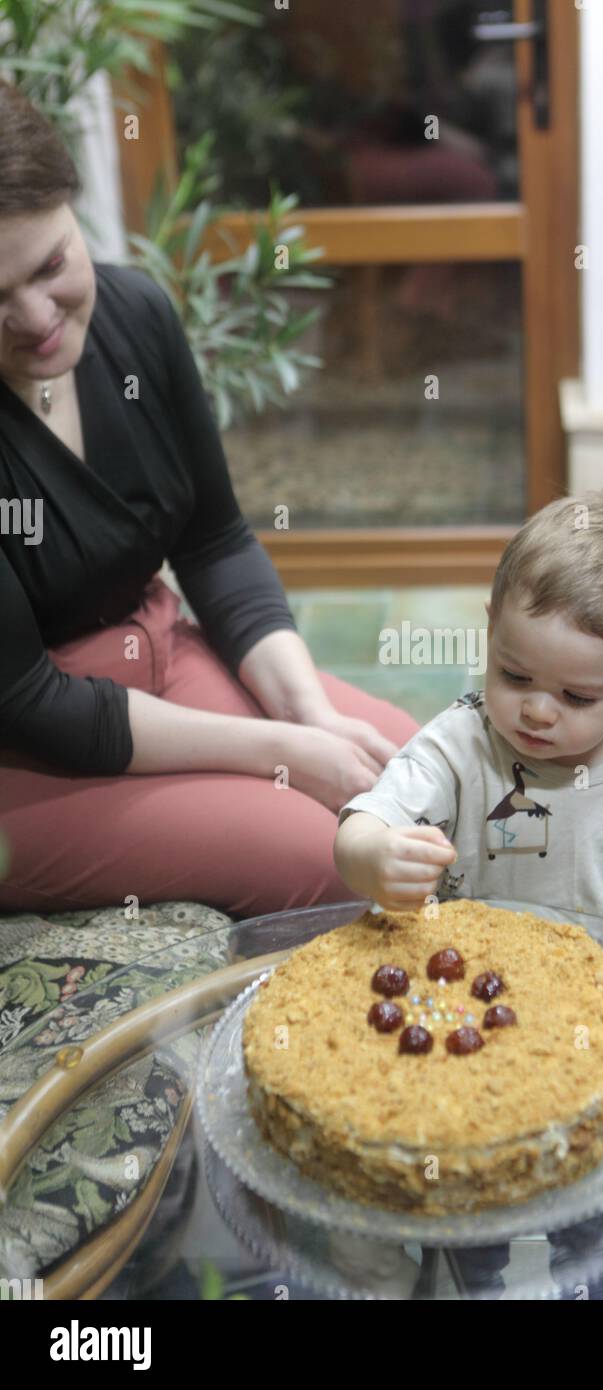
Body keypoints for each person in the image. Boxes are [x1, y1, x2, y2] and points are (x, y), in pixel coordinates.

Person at [0, 79, 418, 918]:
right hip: (26, 747)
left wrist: (307, 715)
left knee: (416, 772)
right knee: (335, 860)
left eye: (51, 266)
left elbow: (215, 542)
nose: (37, 318)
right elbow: (31, 702)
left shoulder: (136, 316)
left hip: (155, 658)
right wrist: (285, 752)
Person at [334, 490, 603, 1298]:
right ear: (489, 627)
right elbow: (364, 822)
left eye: (576, 698)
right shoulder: (461, 747)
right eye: (514, 673)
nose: (535, 709)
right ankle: (476, 1282)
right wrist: (373, 858)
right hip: (471, 1032)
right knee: (471, 1209)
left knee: (597, 1215)